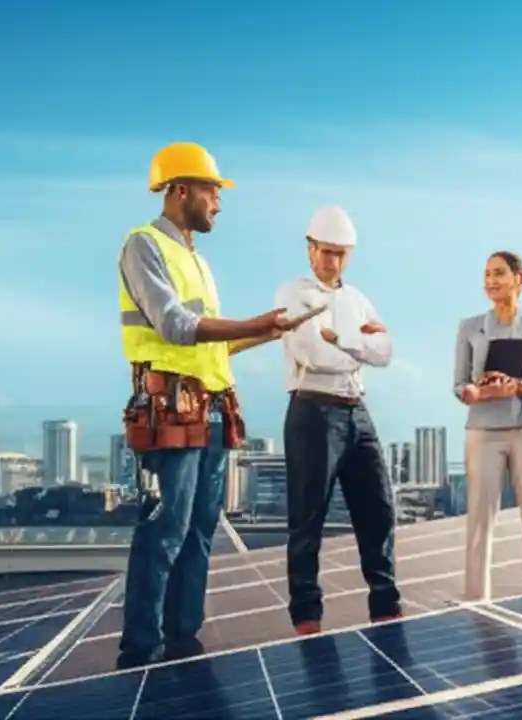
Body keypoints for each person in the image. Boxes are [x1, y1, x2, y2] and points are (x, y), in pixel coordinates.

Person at [117, 141, 306, 669]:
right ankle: (140, 651)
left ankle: (182, 641)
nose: (219, 203)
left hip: (213, 410)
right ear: (180, 190)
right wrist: (253, 324)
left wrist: (268, 330)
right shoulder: (143, 245)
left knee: (201, 530)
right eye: (212, 191)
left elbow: (212, 342)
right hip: (171, 408)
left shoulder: (197, 260)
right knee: (166, 530)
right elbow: (176, 326)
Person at [274, 205, 402, 635]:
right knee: (308, 518)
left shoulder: (356, 299)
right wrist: (358, 349)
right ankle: (307, 616)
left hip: (357, 415)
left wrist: (344, 343)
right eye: (327, 252)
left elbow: (385, 351)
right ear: (310, 249)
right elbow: (313, 353)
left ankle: (386, 605)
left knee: (379, 511)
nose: (334, 262)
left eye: (342, 253)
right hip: (313, 412)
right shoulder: (292, 293)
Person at [453, 251, 522, 601]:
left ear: (520, 278)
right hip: (483, 432)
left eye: (499, 273)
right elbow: (459, 385)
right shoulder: (470, 327)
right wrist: (477, 392)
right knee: (479, 523)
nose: (491, 281)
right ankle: (475, 602)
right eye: (486, 275)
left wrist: (515, 386)